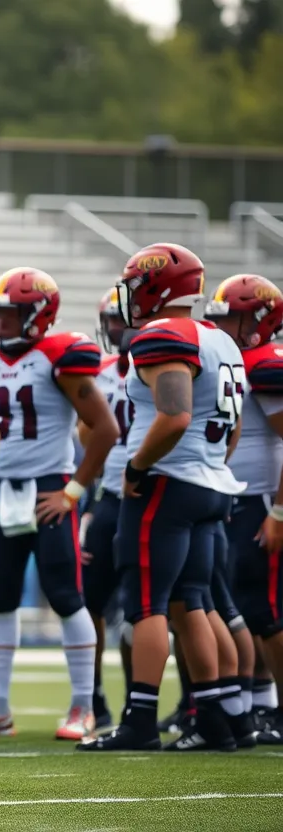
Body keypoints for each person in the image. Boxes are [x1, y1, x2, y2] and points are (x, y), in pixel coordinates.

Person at [80, 244, 245, 752]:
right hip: (210, 480)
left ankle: (140, 721)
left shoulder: (163, 334)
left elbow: (173, 416)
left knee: (146, 601)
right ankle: (217, 716)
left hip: (167, 484)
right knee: (190, 600)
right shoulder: (220, 339)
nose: (128, 297)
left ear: (155, 286)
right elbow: (231, 426)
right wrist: (211, 464)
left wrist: (137, 466)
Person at [0, 267, 118, 742]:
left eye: (12, 314)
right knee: (0, 597)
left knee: (66, 595)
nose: (1, 322)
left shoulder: (60, 357)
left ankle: (83, 705)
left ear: (38, 316)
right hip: (1, 490)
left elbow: (106, 429)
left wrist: (74, 490)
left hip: (49, 489)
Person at [207, 274, 283, 743]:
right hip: (237, 497)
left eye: (231, 317)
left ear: (258, 320)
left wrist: (278, 512)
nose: (221, 326)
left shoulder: (265, 364)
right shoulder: (235, 359)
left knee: (266, 609)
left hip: (260, 500)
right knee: (242, 605)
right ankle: (257, 706)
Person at [81, 288, 134, 731]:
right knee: (90, 600)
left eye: (122, 320)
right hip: (107, 498)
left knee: (149, 606)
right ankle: (94, 695)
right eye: (110, 320)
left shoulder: (173, 364)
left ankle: (144, 698)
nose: (115, 329)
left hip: (152, 496)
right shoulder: (98, 371)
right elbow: (87, 431)